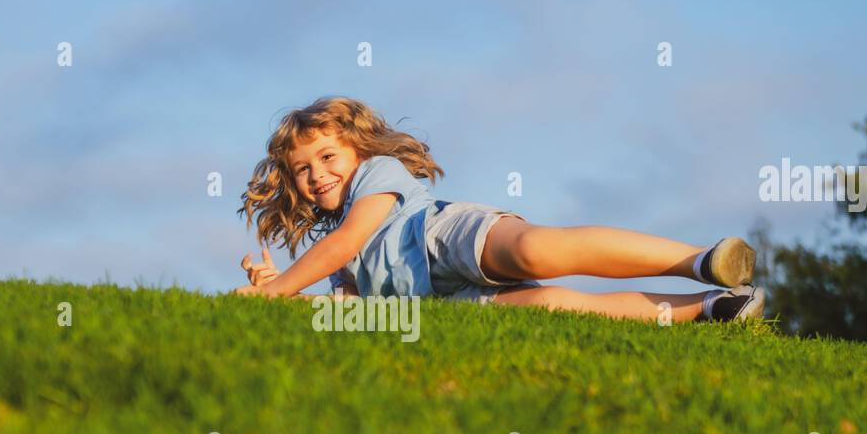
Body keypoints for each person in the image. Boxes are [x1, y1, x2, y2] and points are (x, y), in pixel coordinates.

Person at [234, 96, 764, 323]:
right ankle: (711, 308)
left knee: (537, 251)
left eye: (327, 157)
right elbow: (346, 311)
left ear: (359, 151)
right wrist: (275, 297)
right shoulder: (342, 271)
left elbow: (346, 240)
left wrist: (282, 287)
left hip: (442, 235)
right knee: (555, 308)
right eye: (303, 169)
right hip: (440, 301)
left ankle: (702, 260)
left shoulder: (377, 178)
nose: (317, 174)